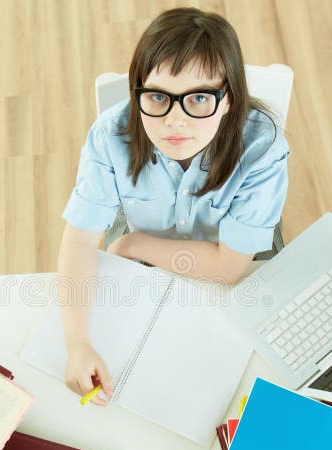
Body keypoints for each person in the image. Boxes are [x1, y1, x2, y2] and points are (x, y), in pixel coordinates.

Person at [57, 7, 290, 405]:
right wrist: (77, 344)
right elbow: (78, 241)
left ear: (229, 98)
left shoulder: (262, 146)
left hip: (232, 253)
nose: (175, 121)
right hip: (157, 245)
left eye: (199, 99)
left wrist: (132, 245)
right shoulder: (109, 136)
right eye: (158, 97)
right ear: (138, 93)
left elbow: (229, 268)